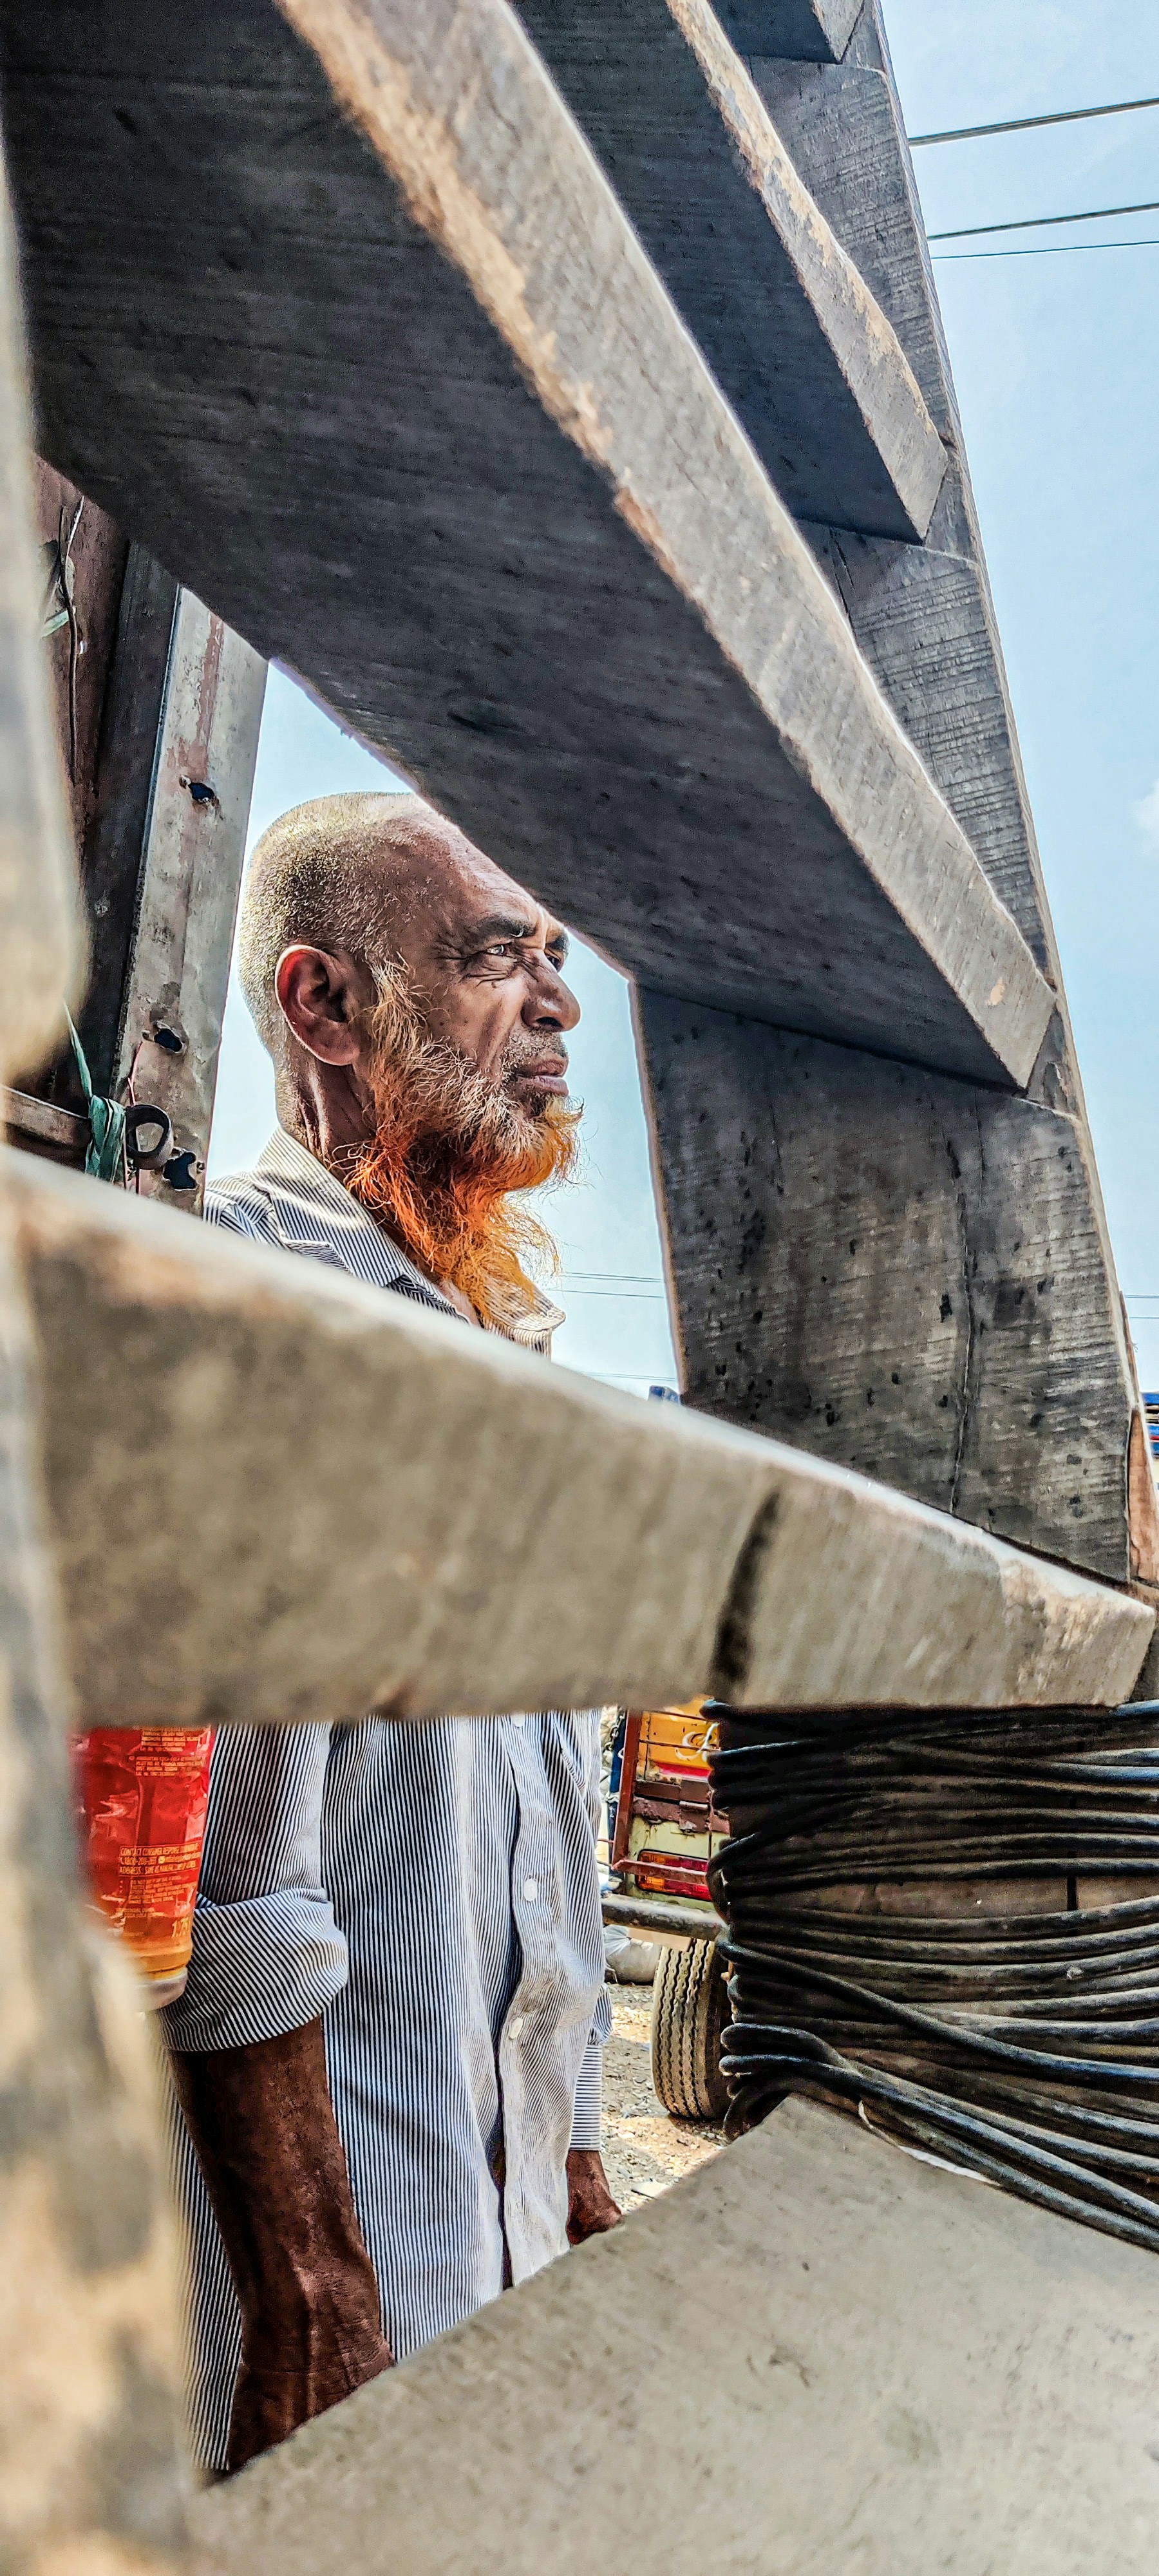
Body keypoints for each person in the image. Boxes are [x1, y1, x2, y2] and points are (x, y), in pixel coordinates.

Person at [164, 791, 619, 2476]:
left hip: (481, 2265)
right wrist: (312, 2292)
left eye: (556, 965)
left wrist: (572, 2179)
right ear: (324, 1003)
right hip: (310, 2337)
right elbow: (229, 1888)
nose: (558, 1011)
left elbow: (542, 1860)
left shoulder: (502, 1356)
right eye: (497, 962)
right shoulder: (257, 1311)